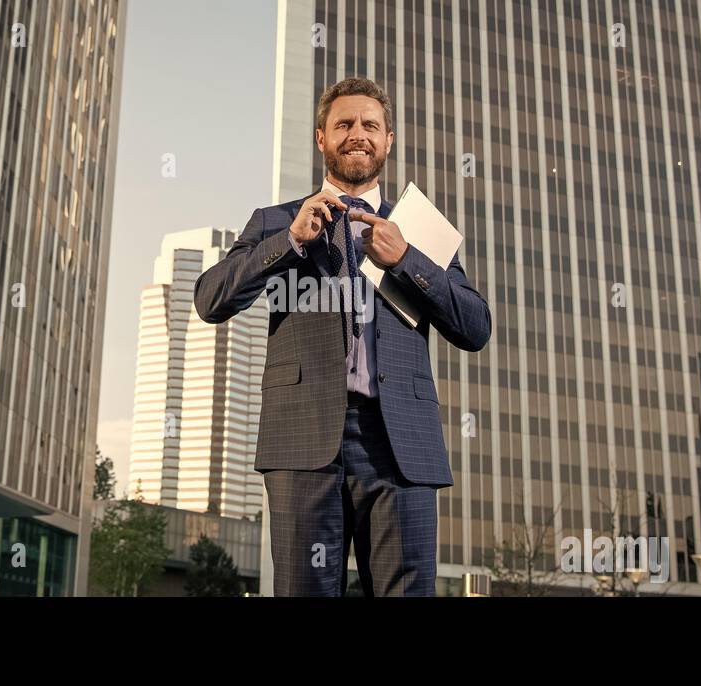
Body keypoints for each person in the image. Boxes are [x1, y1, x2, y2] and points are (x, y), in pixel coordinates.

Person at [194, 77, 491, 596]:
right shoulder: (275, 221)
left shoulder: (418, 228)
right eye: (345, 124)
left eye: (370, 125)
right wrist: (287, 243)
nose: (358, 134)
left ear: (388, 140)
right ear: (321, 138)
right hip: (303, 441)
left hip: (401, 445)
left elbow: (475, 326)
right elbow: (210, 299)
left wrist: (407, 260)